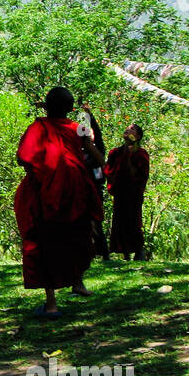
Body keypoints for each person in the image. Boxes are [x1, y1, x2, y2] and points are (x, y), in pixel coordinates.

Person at [14, 87, 104, 318]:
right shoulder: (77, 128)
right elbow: (96, 154)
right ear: (69, 109)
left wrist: (43, 168)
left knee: (46, 242)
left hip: (47, 190)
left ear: (47, 106)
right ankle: (78, 282)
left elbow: (22, 158)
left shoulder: (38, 128)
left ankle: (51, 303)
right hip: (76, 189)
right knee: (76, 236)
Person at [104, 124, 151, 261]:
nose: (127, 129)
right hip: (120, 192)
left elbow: (138, 174)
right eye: (127, 128)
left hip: (133, 193)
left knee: (133, 220)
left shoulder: (140, 153)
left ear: (138, 136)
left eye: (132, 129)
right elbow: (108, 170)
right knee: (119, 221)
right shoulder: (115, 152)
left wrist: (130, 155)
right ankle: (124, 253)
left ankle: (138, 250)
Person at [80, 103, 112, 262]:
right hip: (80, 191)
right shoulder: (78, 152)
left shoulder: (97, 149)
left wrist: (88, 115)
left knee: (97, 221)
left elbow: (97, 134)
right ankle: (87, 253)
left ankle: (104, 253)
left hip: (96, 189)